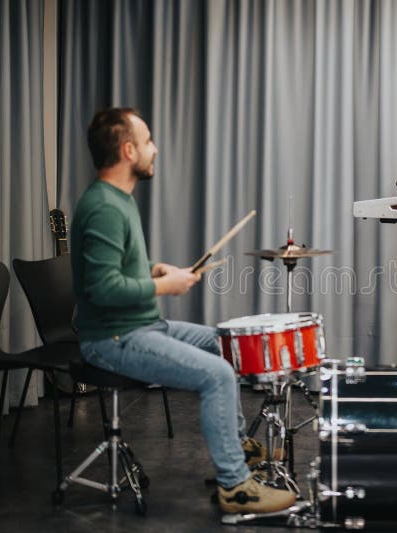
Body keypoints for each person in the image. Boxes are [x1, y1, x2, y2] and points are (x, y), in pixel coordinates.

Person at [70, 107, 296, 513]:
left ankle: (236, 447)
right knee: (218, 374)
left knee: (223, 345)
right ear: (127, 150)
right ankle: (236, 487)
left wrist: (154, 269)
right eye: (148, 142)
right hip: (113, 338)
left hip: (142, 325)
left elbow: (116, 268)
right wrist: (164, 285)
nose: (154, 150)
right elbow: (101, 290)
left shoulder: (118, 200)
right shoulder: (104, 207)